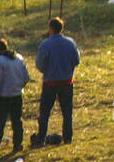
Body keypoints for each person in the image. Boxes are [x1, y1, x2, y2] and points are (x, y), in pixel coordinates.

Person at [34, 17, 80, 147]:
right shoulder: (70, 43)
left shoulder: (45, 45)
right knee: (67, 112)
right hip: (66, 82)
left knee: (45, 113)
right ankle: (68, 138)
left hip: (50, 83)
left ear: (51, 29)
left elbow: (40, 65)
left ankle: (41, 138)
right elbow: (77, 60)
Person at [0, 39, 30, 154]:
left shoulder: (0, 60)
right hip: (17, 94)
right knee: (17, 121)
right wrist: (19, 87)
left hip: (4, 96)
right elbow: (26, 77)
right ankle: (18, 144)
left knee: (0, 122)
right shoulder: (18, 58)